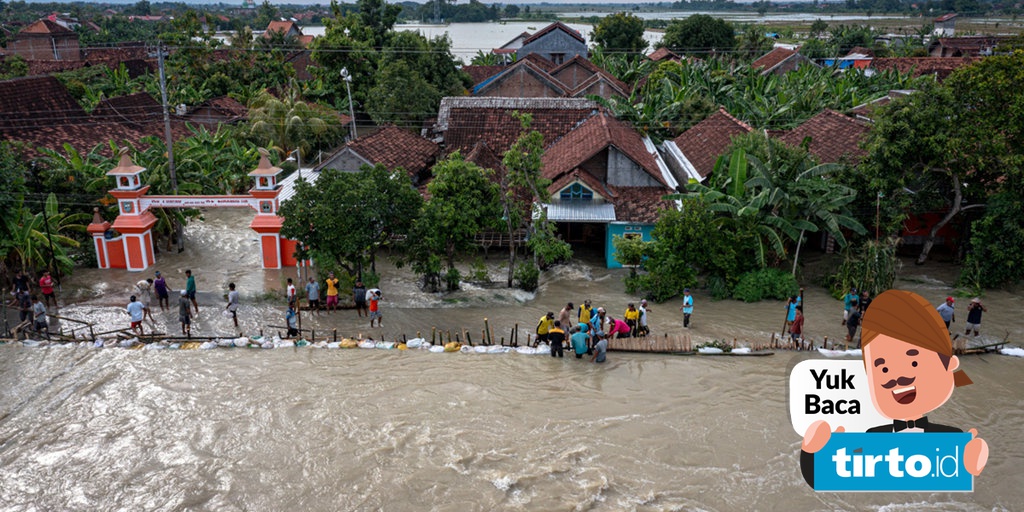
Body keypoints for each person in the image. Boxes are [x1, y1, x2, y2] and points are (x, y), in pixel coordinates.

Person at [799, 289, 988, 489]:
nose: (897, 378)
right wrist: (812, 454)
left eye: (913, 363)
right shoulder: (873, 437)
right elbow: (828, 473)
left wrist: (971, 463)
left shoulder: (951, 439)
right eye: (883, 369)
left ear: (949, 365)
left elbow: (962, 475)